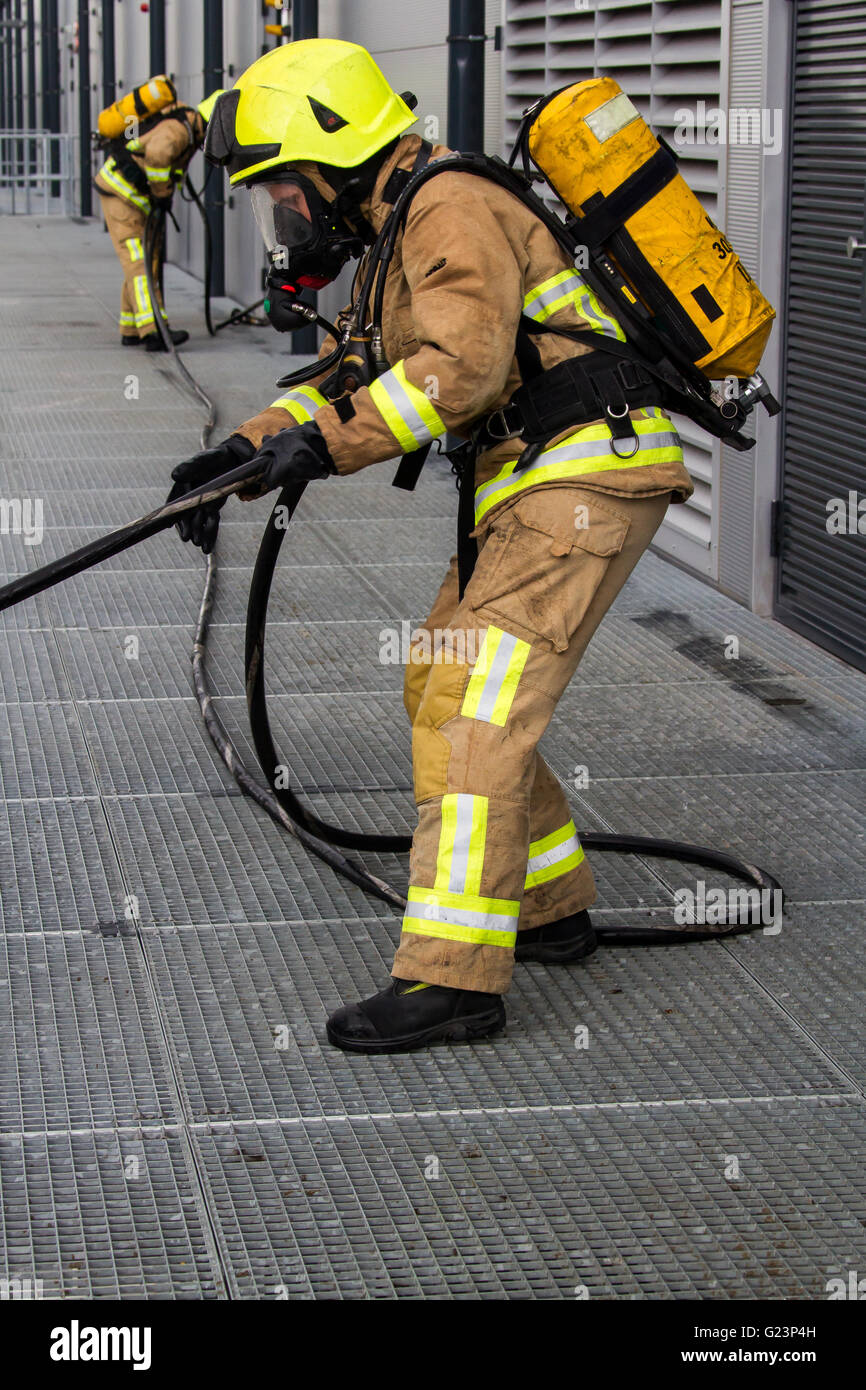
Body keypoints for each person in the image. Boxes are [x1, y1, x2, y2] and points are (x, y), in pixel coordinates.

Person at [168, 39, 694, 1053]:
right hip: (538, 484)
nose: (281, 215)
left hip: (580, 483)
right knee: (440, 679)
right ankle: (547, 906)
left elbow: (455, 369)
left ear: (333, 151)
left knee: (472, 710)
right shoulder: (401, 219)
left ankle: (451, 978)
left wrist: (325, 446)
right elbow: (356, 364)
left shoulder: (445, 205)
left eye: (283, 190)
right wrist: (245, 448)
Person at [95, 88, 224, 350]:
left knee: (145, 261)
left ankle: (130, 328)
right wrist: (163, 193)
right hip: (122, 195)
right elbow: (157, 156)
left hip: (136, 199)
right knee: (138, 262)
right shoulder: (178, 131)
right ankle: (153, 331)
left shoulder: (185, 127)